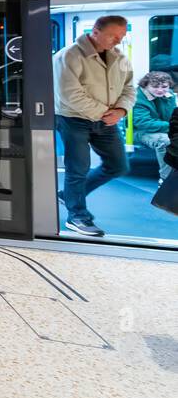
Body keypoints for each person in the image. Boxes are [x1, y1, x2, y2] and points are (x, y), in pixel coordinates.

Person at [53, 14, 135, 237]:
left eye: (122, 36)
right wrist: (105, 113)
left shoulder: (119, 57)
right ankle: (77, 216)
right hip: (73, 120)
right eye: (113, 36)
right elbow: (70, 95)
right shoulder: (69, 56)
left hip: (107, 120)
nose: (118, 41)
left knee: (118, 165)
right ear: (95, 32)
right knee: (77, 169)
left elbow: (129, 88)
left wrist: (120, 111)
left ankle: (68, 196)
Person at [132, 71, 175, 183]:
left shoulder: (168, 94)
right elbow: (143, 123)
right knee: (165, 141)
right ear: (145, 85)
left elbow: (172, 116)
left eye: (164, 86)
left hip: (164, 128)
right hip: (140, 132)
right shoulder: (137, 98)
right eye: (155, 86)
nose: (160, 90)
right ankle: (166, 180)